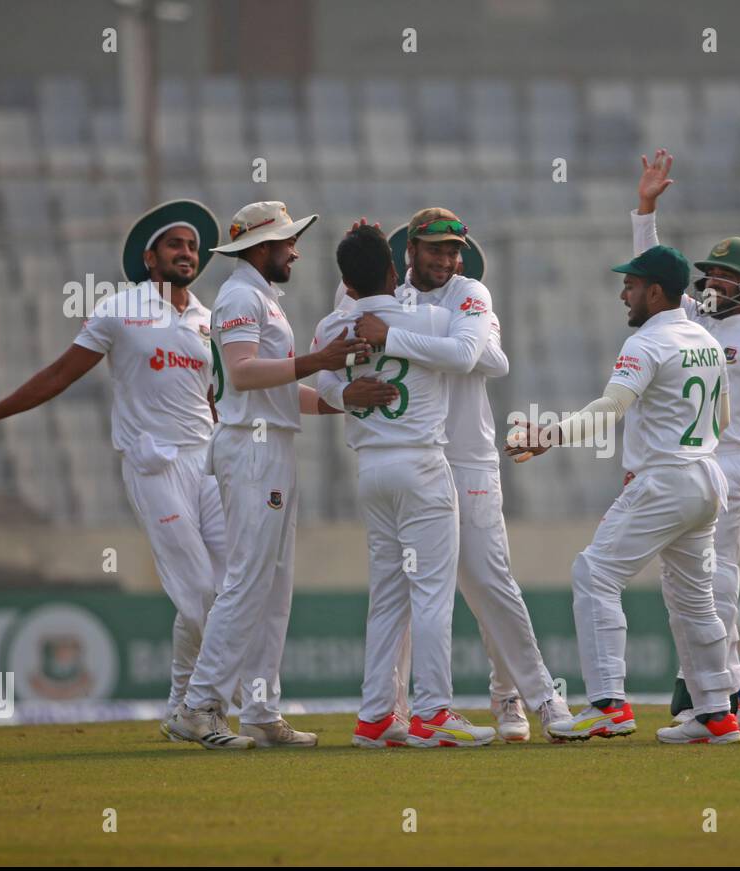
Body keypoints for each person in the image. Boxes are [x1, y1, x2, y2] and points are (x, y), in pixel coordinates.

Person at [0, 199, 229, 737]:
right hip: (154, 467)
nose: (186, 253)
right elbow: (58, 375)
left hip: (208, 466)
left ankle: (182, 710)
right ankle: (196, 710)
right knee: (198, 594)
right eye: (175, 244)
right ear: (150, 257)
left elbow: (213, 402)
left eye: (192, 246)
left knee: (231, 588)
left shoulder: (207, 319)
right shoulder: (120, 310)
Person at [345, 208, 572, 742]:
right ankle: (390, 712)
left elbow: (484, 358)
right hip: (411, 455)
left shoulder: (469, 292)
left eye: (453, 250)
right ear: (409, 251)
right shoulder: (392, 300)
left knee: (488, 582)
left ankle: (530, 699)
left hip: (465, 458)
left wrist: (394, 339)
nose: (446, 260)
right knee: (404, 591)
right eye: (435, 250)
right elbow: (351, 328)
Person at [167, 202, 385, 749]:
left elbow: (276, 387)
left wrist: (339, 401)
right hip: (251, 451)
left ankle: (261, 712)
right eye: (287, 242)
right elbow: (241, 375)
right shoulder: (242, 295)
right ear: (260, 248)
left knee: (272, 588)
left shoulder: (261, 297)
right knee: (247, 581)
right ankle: (199, 706)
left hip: (271, 448)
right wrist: (319, 361)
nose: (295, 250)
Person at [508, 245, 740, 745]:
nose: (623, 294)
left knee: (594, 574)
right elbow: (723, 418)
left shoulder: (646, 343)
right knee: (695, 601)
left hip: (666, 479)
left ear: (655, 292)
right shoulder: (704, 338)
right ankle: (718, 713)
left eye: (631, 285)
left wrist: (546, 434)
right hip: (707, 475)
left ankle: (609, 705)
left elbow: (611, 408)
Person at [315, 223, 496, 748]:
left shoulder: (333, 324)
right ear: (396, 272)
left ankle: (375, 717)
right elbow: (467, 357)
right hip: (421, 465)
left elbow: (324, 385)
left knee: (389, 596)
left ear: (345, 281)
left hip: (371, 468)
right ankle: (433, 712)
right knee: (433, 596)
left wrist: (351, 393)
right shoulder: (434, 316)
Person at [631, 150, 740, 732]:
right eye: (712, 273)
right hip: (689, 461)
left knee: (714, 578)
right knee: (687, 582)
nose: (714, 281)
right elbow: (653, 270)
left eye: (728, 275)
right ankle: (736, 697)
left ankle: (715, 704)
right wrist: (646, 207)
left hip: (732, 461)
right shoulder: (692, 319)